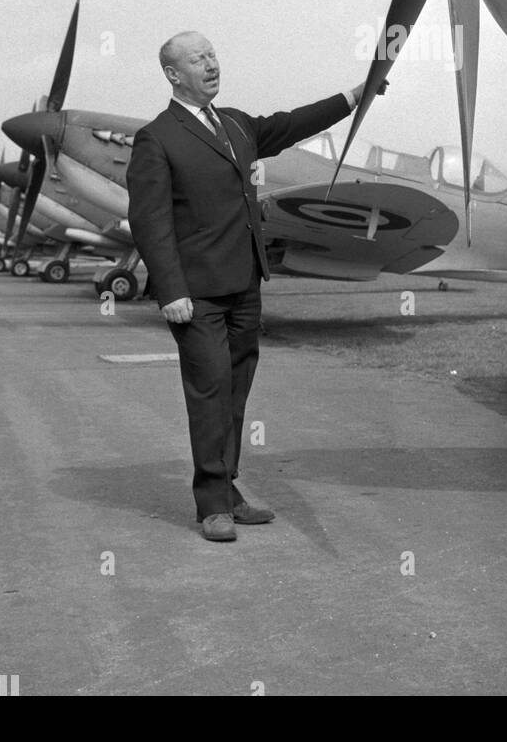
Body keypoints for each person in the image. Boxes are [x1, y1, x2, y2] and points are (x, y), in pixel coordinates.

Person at [127, 30, 368, 543]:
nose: (212, 65)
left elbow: (290, 124)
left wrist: (353, 96)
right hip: (196, 293)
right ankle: (211, 503)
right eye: (198, 59)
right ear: (173, 74)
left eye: (213, 55)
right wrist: (171, 291)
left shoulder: (235, 124)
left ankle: (228, 489)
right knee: (210, 390)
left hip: (244, 284)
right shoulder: (157, 138)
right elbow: (149, 221)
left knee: (235, 393)